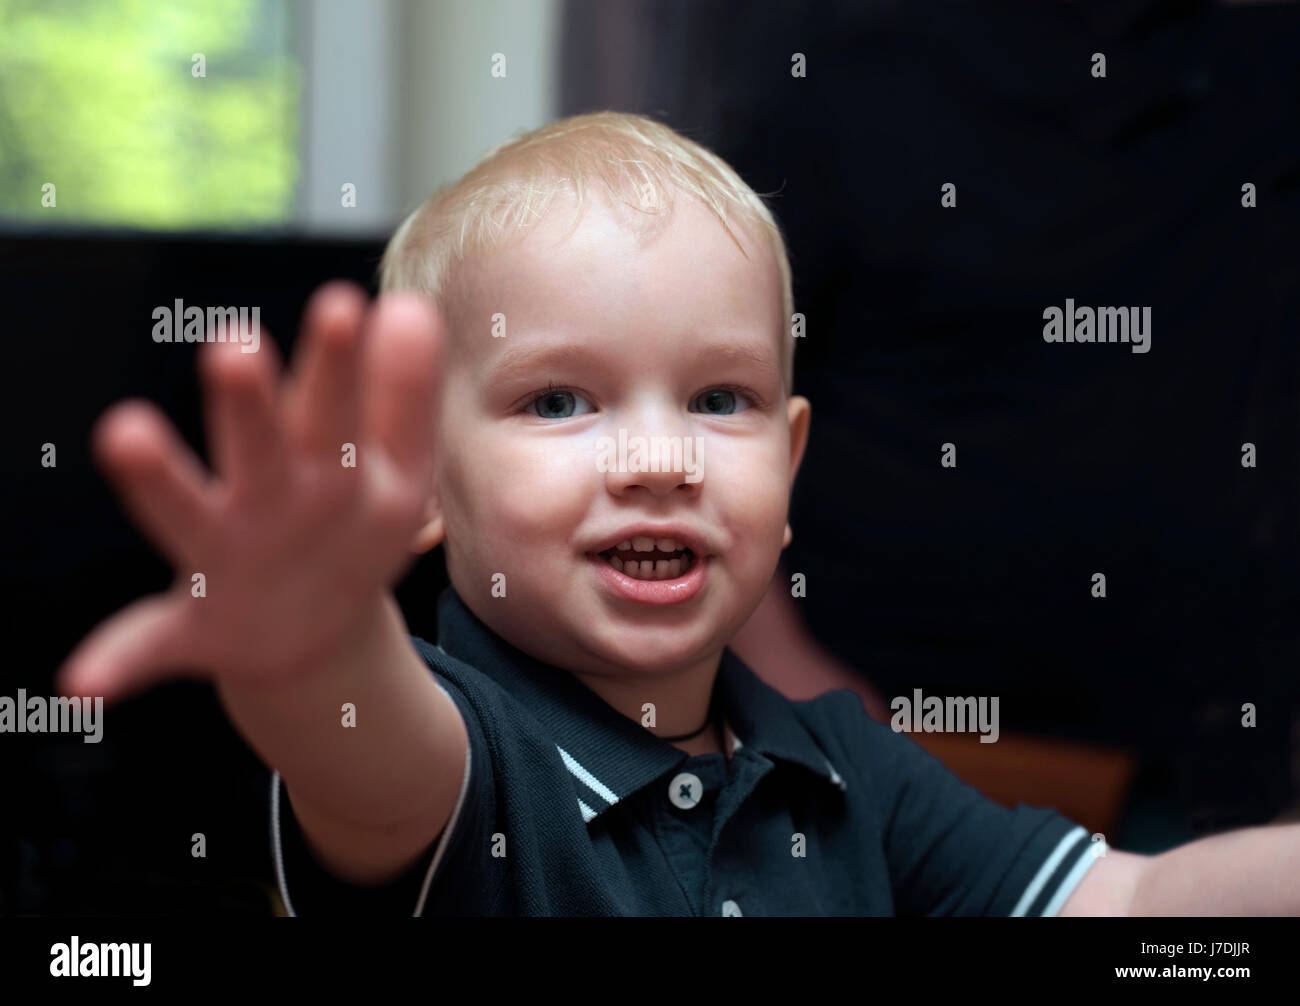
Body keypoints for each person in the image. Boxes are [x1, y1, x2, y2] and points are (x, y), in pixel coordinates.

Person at [55, 111, 1298, 915]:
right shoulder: (471, 762)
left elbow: (1132, 911)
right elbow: (361, 749)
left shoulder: (844, 770)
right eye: (558, 401)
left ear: (789, 460)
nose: (659, 457)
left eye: (719, 397)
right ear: (426, 479)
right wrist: (314, 646)